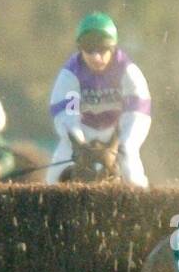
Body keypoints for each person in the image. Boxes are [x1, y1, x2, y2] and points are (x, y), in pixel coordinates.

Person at [46, 12, 151, 187]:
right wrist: (78, 142)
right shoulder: (71, 74)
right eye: (89, 49)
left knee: (132, 172)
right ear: (80, 48)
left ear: (113, 48)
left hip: (117, 133)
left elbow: (137, 113)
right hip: (83, 131)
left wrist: (123, 142)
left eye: (102, 49)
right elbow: (67, 113)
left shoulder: (128, 71)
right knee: (52, 178)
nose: (96, 57)